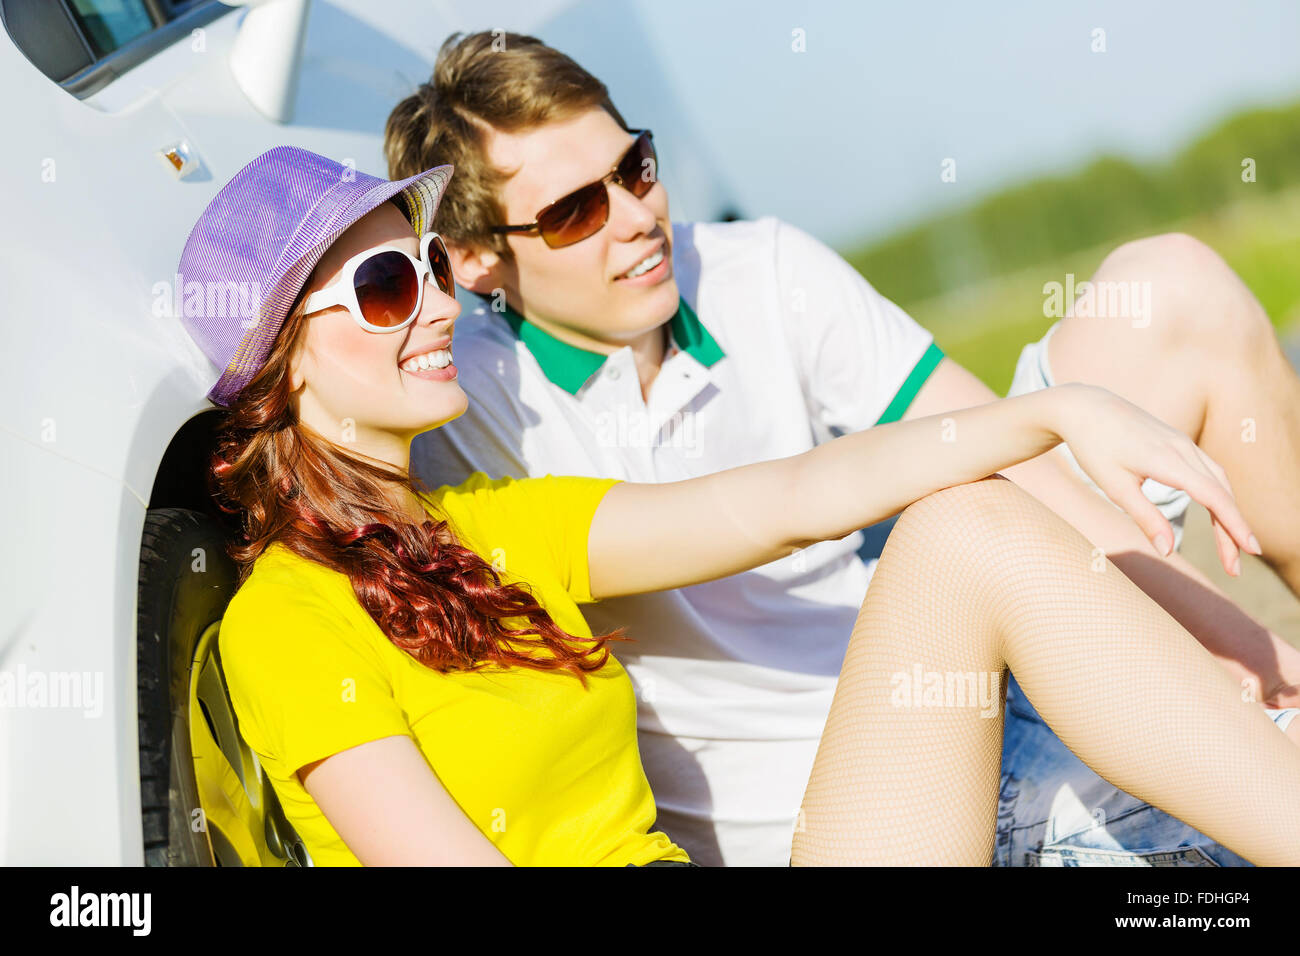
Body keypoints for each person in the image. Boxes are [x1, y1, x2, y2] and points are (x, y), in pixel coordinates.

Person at [172, 143, 1300, 867]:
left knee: (964, 523)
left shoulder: (498, 524)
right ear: (285, 364)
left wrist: (1057, 417)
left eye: (423, 264)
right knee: (965, 534)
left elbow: (797, 497)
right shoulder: (286, 626)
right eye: (382, 288)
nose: (429, 305)